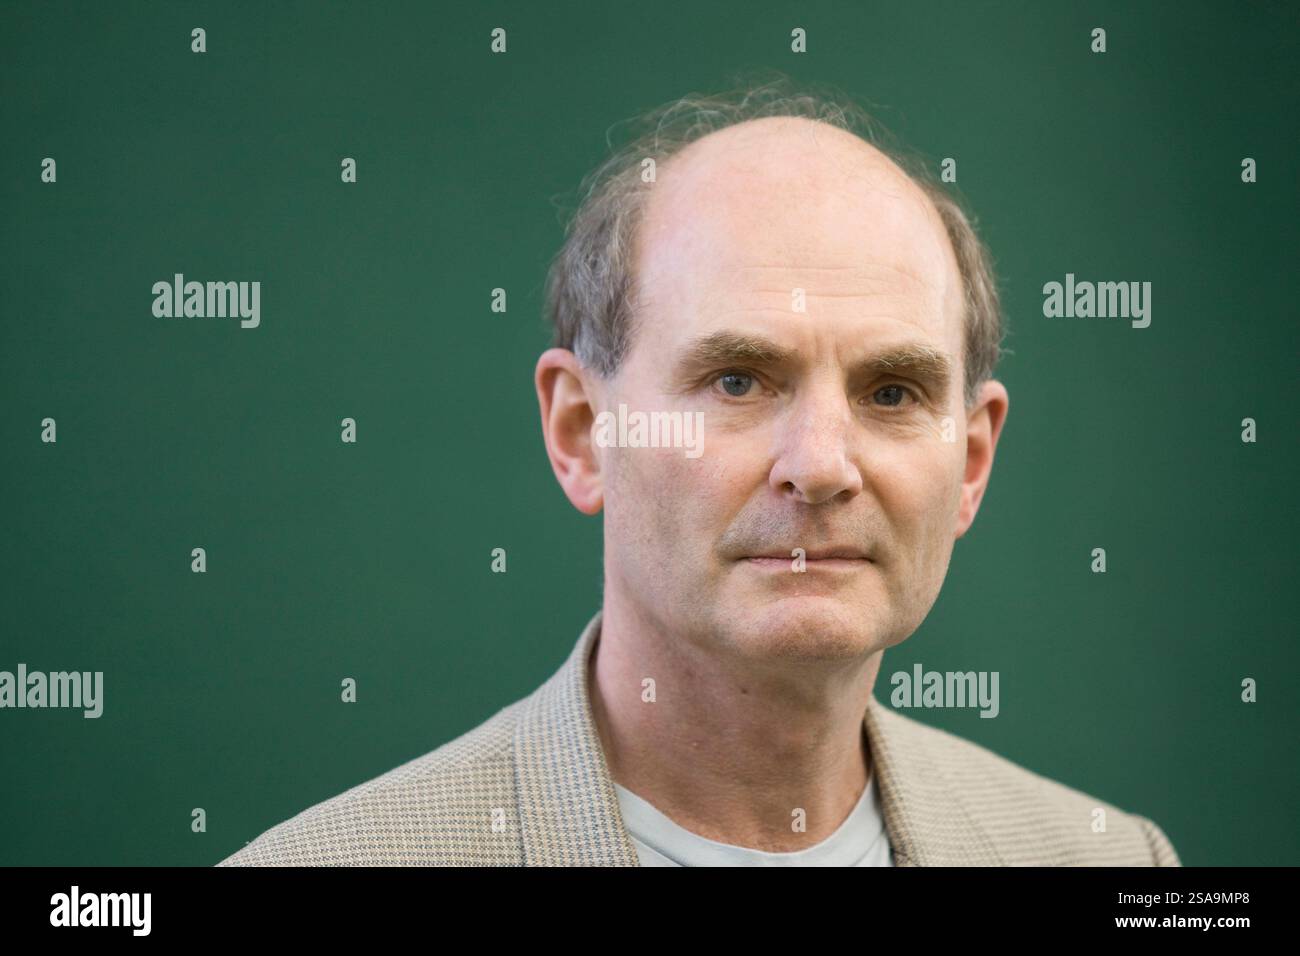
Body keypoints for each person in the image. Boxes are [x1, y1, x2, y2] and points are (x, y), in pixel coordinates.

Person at [218, 78, 1179, 867]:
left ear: (970, 462)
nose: (820, 466)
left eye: (891, 393)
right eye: (737, 380)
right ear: (583, 430)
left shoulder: (1109, 862)